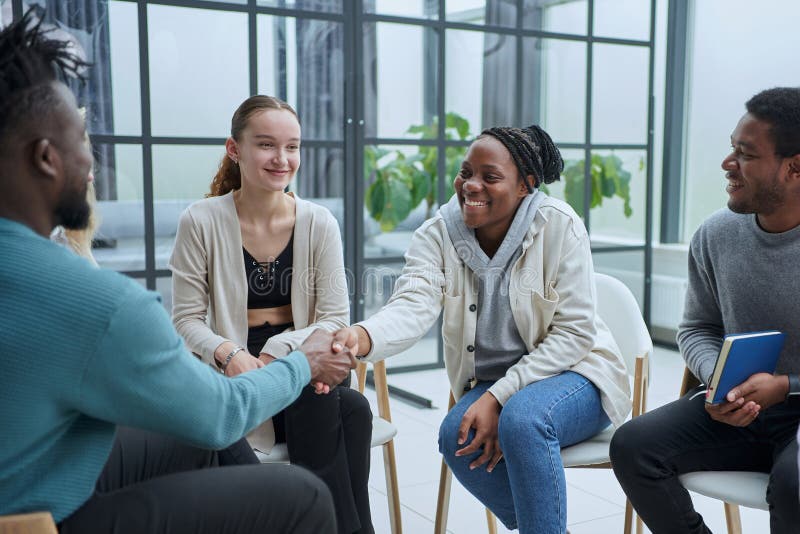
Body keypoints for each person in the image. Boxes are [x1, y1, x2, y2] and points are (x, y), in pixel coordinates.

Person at [0, 11, 357, 533]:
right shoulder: (102, 303)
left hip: (28, 473)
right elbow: (215, 414)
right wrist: (295, 363)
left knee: (339, 412)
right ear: (46, 158)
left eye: (292, 146)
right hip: (39, 516)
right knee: (299, 495)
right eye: (84, 139)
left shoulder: (318, 222)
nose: (94, 163)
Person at [336, 125, 631, 533]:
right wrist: (363, 336)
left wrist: (498, 397)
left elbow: (576, 334)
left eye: (489, 177)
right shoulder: (439, 232)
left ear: (526, 184)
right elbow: (413, 303)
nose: (471, 185)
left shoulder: (558, 225)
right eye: (465, 172)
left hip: (575, 374)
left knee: (523, 421)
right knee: (456, 438)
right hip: (495, 381)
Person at [169, 95, 374, 534]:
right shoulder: (200, 221)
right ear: (234, 149)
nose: (282, 159)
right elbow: (185, 321)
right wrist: (231, 354)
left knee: (332, 399)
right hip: (232, 379)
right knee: (347, 408)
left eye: (293, 147)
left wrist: (282, 354)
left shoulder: (319, 222)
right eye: (266, 145)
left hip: (301, 363)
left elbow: (335, 315)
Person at [610, 87, 800, 534]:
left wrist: (785, 386)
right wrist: (721, 381)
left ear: (794, 167)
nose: (727, 164)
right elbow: (697, 326)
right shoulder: (716, 234)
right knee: (633, 447)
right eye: (731, 147)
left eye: (745, 154)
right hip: (739, 408)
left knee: (794, 484)